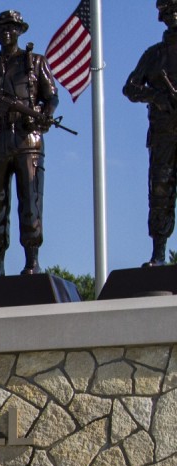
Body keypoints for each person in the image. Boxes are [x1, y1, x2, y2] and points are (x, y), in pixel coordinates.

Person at [0, 10, 59, 278]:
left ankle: (32, 262)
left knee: (31, 201)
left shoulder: (35, 63)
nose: (6, 33)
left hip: (28, 140)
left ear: (19, 31)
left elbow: (51, 97)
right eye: (2, 29)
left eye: (11, 28)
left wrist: (45, 114)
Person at [124, 0, 177, 267]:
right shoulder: (154, 55)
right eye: (167, 11)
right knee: (160, 192)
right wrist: (156, 97)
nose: (172, 15)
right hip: (162, 134)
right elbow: (130, 87)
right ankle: (159, 254)